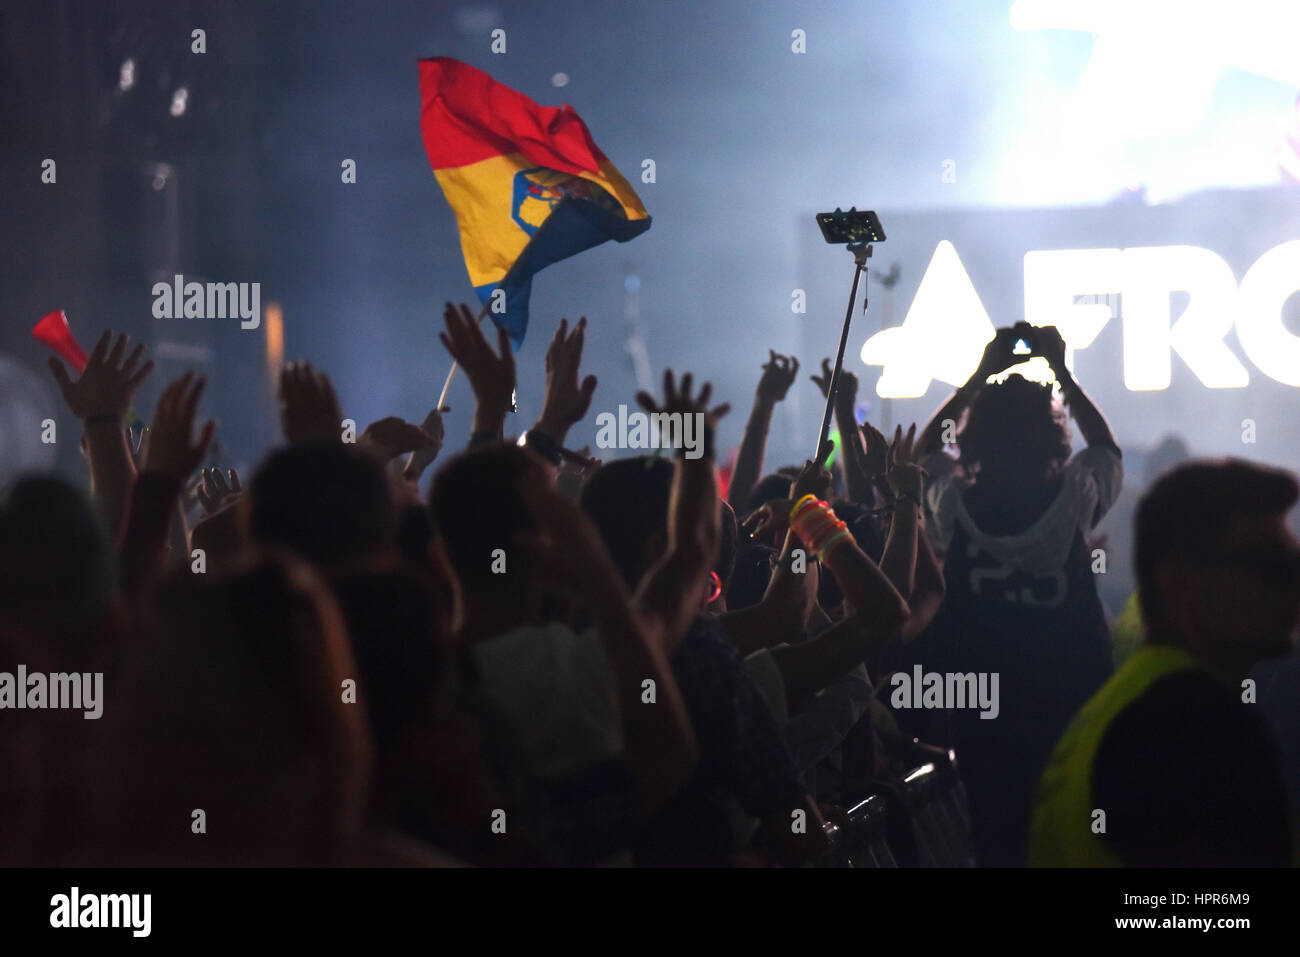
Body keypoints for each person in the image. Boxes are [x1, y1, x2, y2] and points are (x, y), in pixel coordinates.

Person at [910, 323, 1121, 865]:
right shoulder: (1076, 497)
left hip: (985, 713)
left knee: (999, 841)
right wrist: (1064, 375)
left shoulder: (953, 506)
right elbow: (1105, 448)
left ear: (977, 437)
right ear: (1050, 436)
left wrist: (979, 375)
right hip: (1070, 701)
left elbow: (923, 456)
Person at [1030, 460, 1299, 866]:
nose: (1289, 586)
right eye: (1267, 566)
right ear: (1177, 580)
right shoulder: (1199, 725)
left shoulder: (1126, 703)